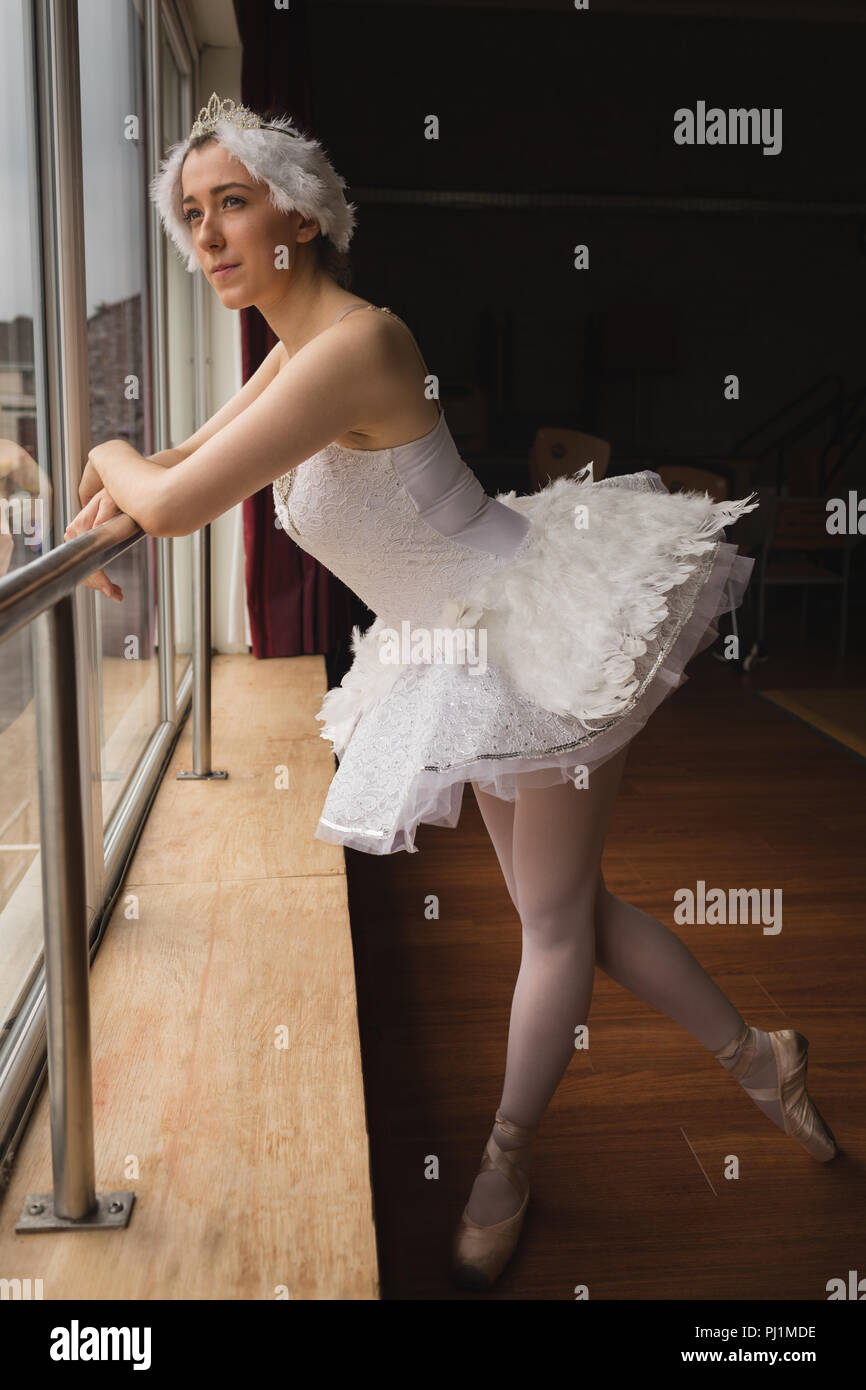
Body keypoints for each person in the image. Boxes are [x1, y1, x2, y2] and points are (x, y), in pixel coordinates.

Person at [66, 94, 839, 1293]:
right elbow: (172, 472)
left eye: (230, 204)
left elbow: (167, 499)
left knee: (549, 920)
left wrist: (100, 459)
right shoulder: (289, 356)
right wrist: (117, 482)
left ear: (301, 214)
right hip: (444, 647)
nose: (208, 238)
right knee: (563, 908)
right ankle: (759, 1056)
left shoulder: (358, 346)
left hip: (520, 628)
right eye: (188, 217)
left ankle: (505, 1163)